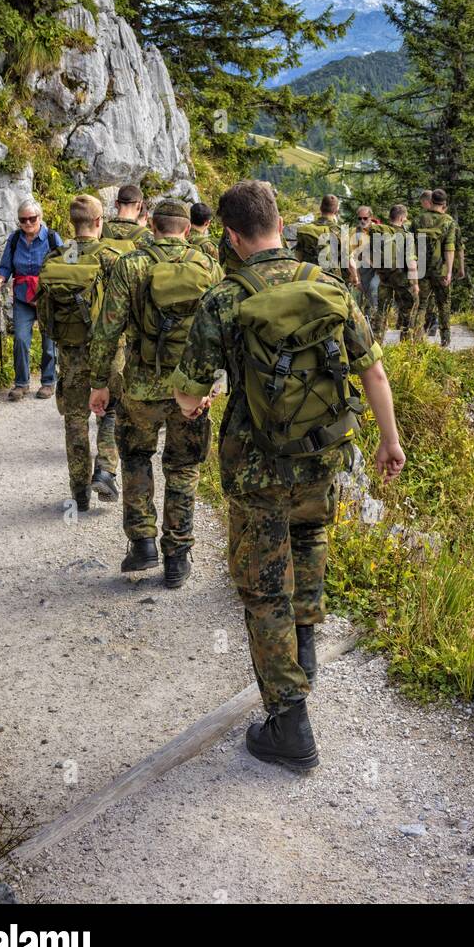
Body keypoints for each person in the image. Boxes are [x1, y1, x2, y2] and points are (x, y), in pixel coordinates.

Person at [172, 180, 405, 771]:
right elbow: (373, 374)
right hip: (321, 454)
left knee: (263, 585)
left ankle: (290, 724)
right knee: (310, 540)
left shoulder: (224, 300)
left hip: (257, 469)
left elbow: (186, 394)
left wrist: (196, 402)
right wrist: (390, 441)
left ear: (230, 235)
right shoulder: (326, 286)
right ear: (278, 223)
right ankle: (306, 651)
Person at [89, 199, 221, 587]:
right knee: (183, 466)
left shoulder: (131, 265)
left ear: (153, 226)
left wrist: (100, 383)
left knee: (135, 457)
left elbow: (106, 330)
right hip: (191, 388)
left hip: (142, 387)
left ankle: (143, 543)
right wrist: (215, 384)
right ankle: (178, 556)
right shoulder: (208, 266)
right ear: (185, 229)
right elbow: (222, 331)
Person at [37, 195, 134, 509]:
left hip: (71, 351)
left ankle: (79, 492)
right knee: (112, 409)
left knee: (76, 419)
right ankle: (105, 468)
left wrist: (62, 339)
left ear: (71, 223)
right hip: (110, 351)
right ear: (98, 222)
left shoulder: (57, 257)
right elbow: (126, 308)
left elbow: (42, 311)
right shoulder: (111, 258)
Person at [0, 199, 62, 401]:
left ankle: (48, 382)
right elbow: (5, 266)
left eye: (32, 218)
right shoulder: (15, 239)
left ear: (40, 218)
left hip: (47, 296)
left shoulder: (51, 238)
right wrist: (0, 278)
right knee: (21, 340)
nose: (28, 223)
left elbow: (67, 263)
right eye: (23, 220)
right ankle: (21, 384)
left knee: (49, 342)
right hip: (23, 297)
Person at [414, 188, 456, 349]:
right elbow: (449, 247)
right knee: (444, 303)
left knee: (421, 304)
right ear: (444, 204)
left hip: (421, 268)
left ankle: (416, 338)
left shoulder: (418, 220)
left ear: (431, 202)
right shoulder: (448, 221)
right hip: (441, 269)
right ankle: (445, 340)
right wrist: (450, 271)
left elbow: (410, 245)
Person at [372, 205, 419, 343]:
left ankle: (377, 341)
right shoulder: (406, 236)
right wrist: (415, 283)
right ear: (401, 218)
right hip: (402, 279)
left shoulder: (380, 233)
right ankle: (405, 342)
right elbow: (411, 263)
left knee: (382, 310)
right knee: (408, 310)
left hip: (384, 278)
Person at [295, 194, 359, 287]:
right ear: (336, 210)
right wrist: (355, 278)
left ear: (321, 208)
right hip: (331, 283)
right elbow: (350, 264)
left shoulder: (305, 229)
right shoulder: (341, 232)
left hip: (308, 280)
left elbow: (298, 257)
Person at [351, 205, 381, 318]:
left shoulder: (379, 230)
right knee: (360, 294)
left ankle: (376, 319)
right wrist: (357, 278)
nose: (362, 221)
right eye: (360, 218)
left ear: (371, 217)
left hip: (378, 269)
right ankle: (365, 321)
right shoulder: (355, 233)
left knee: (373, 288)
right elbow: (353, 257)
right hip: (363, 268)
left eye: (365, 218)